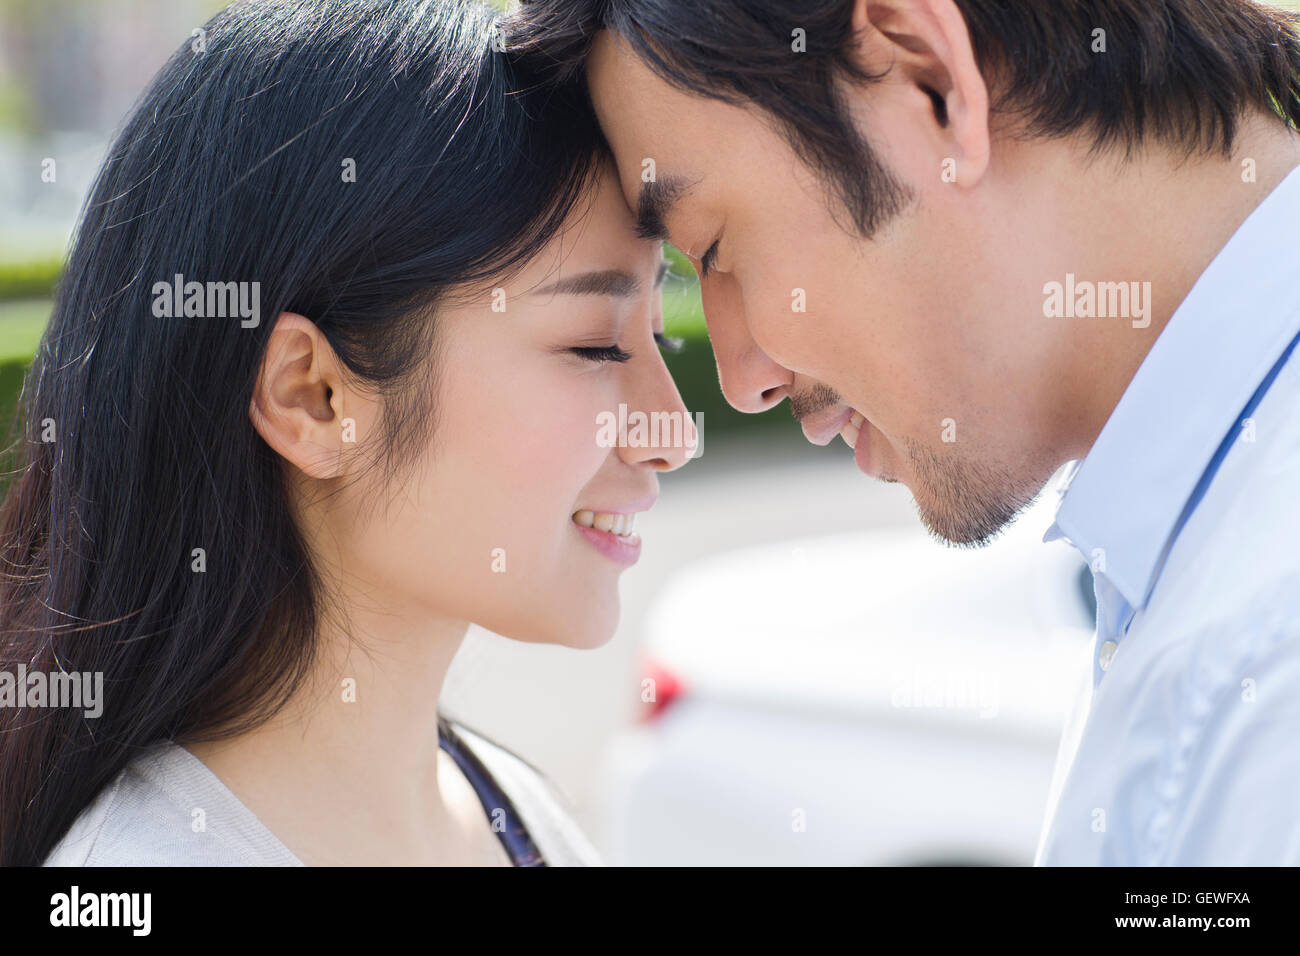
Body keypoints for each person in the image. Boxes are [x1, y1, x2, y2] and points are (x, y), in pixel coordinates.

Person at [505, 0, 1300, 864]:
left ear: (929, 80)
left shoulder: (1267, 653)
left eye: (716, 247)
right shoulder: (1197, 566)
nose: (742, 380)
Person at [0, 0, 692, 867]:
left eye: (660, 336)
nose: (672, 431)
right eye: (595, 344)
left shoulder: (517, 814)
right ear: (313, 395)